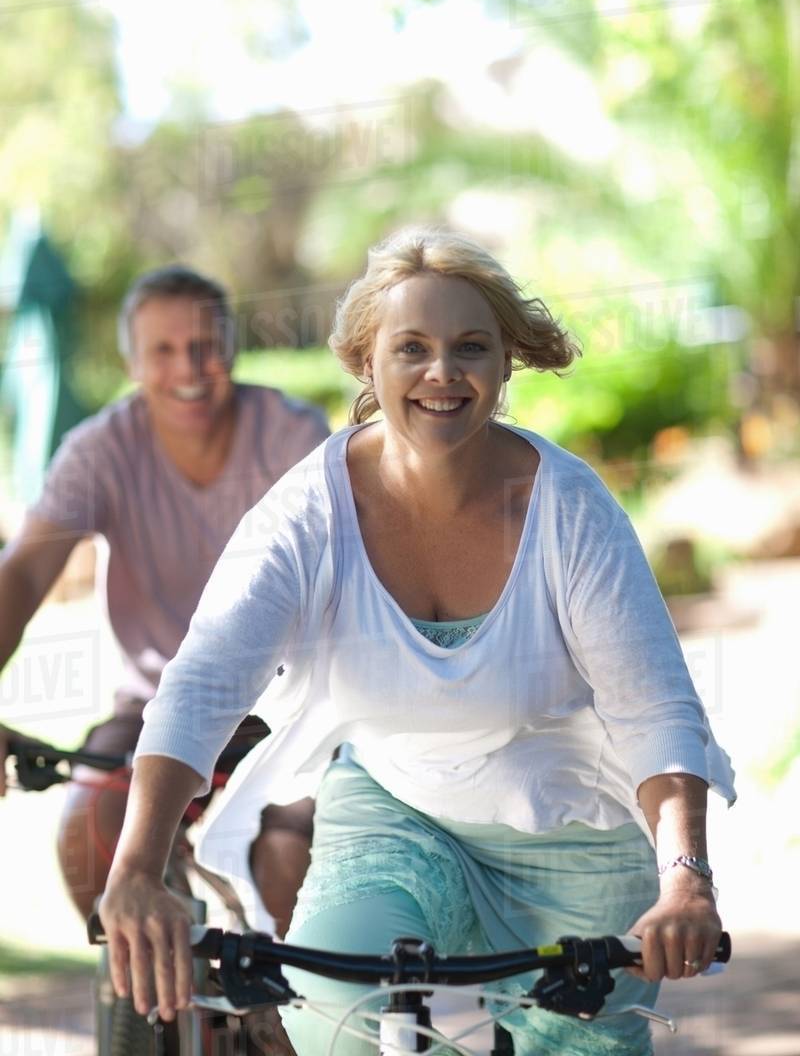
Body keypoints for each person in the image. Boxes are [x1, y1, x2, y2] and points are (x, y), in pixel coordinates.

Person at [99, 229, 735, 1056]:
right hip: (395, 811)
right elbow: (204, 682)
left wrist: (685, 878)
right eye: (411, 348)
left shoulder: (569, 508)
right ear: (367, 363)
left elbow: (655, 708)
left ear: (506, 363)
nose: (442, 371)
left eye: (471, 347)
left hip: (573, 834)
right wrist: (135, 869)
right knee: (334, 1013)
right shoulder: (309, 511)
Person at [0, 266, 329, 936]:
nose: (189, 368)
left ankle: (275, 1002)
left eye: (205, 346)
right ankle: (151, 994)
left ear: (232, 348)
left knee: (289, 853)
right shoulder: (101, 450)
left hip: (284, 705)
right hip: (152, 706)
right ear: (133, 363)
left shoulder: (291, 436)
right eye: (164, 350)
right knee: (90, 828)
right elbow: (26, 574)